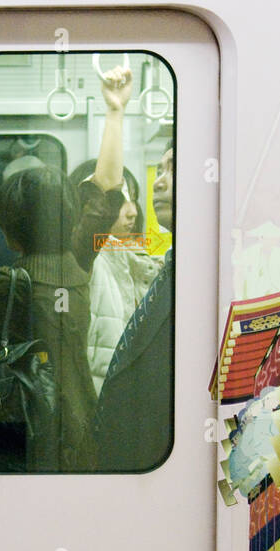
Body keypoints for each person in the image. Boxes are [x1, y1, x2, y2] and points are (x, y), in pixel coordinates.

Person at [0, 67, 135, 472]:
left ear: (8, 235)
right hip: (81, 422)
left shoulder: (4, 283)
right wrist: (115, 112)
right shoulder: (77, 261)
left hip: (20, 434)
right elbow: (107, 187)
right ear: (70, 216)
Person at [93, 144, 175, 471]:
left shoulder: (156, 267)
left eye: (173, 168)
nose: (159, 181)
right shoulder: (92, 260)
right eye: (119, 200)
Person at [73, 162, 163, 395]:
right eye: (120, 202)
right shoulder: (87, 260)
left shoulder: (144, 262)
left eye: (133, 200)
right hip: (102, 395)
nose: (132, 211)